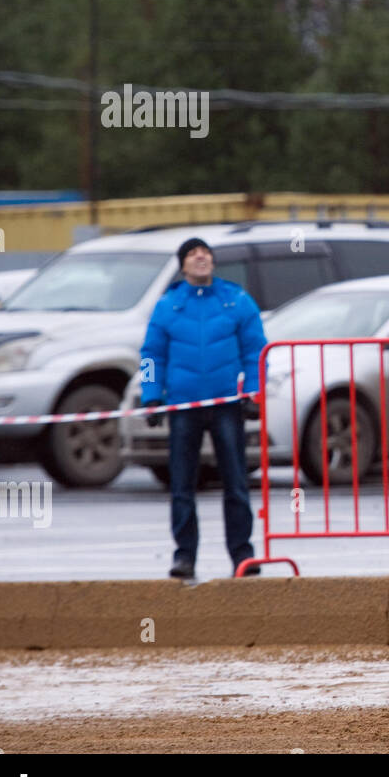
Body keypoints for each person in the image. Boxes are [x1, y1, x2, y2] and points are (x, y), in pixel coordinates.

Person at [141, 238, 267, 580]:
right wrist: (151, 395)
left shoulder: (235, 299)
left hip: (226, 403)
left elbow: (256, 349)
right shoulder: (168, 305)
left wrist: (254, 392)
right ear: (182, 265)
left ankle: (243, 556)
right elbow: (151, 354)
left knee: (236, 483)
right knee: (182, 485)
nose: (201, 257)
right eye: (193, 253)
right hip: (183, 406)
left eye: (206, 253)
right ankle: (184, 557)